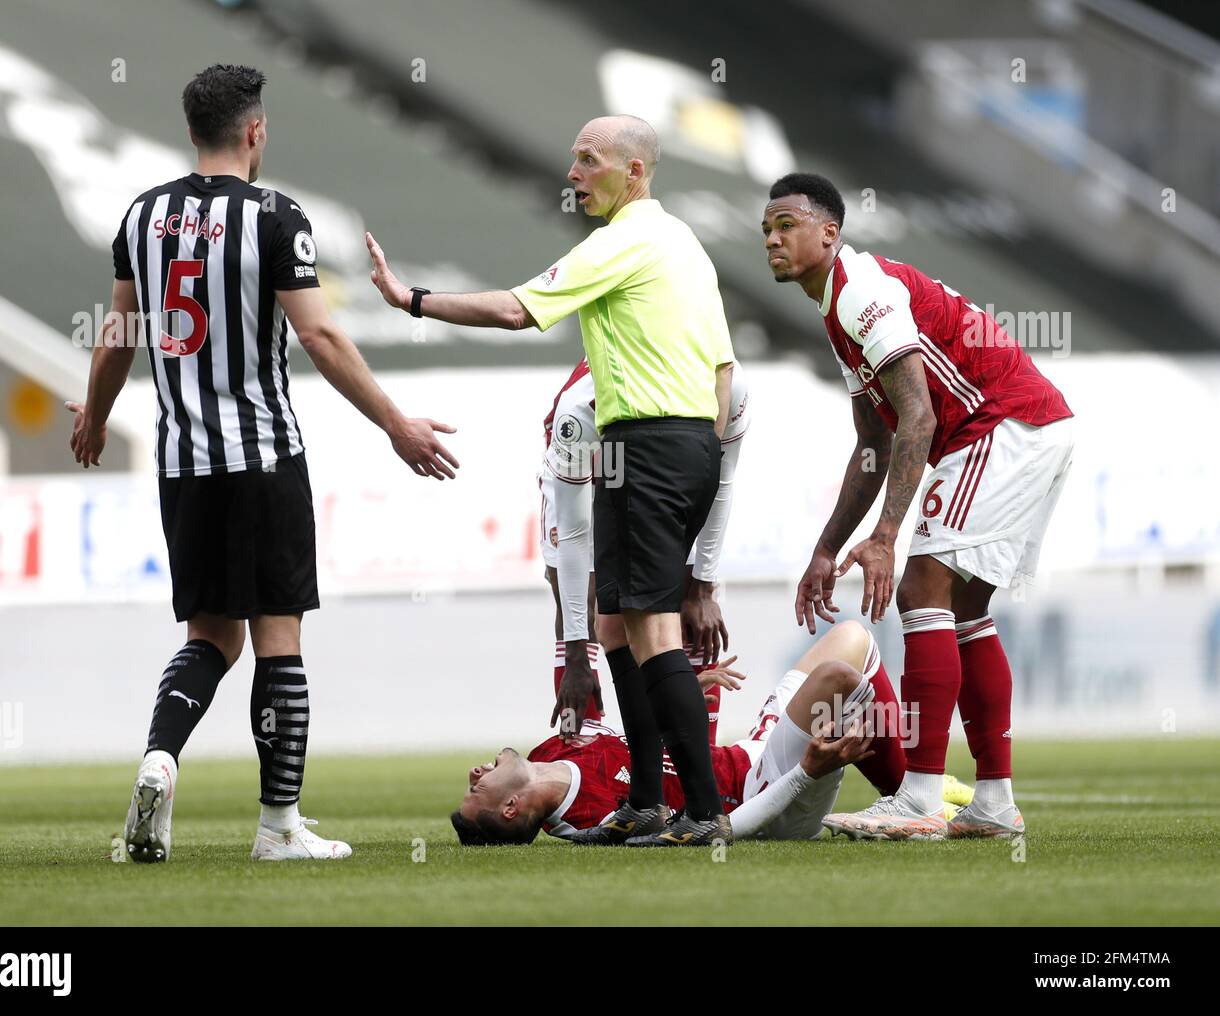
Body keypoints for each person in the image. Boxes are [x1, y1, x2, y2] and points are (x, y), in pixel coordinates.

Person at [68, 64, 458, 863]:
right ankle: (279, 827)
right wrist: (395, 425)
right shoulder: (276, 216)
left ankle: (159, 759)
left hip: (183, 464)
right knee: (277, 635)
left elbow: (118, 337)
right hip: (263, 455)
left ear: (191, 131)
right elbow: (319, 337)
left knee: (210, 634)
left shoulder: (142, 216)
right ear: (255, 132)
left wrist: (97, 423)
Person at [366, 115, 737, 846]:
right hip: (685, 443)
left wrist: (411, 299)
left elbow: (514, 310)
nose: (573, 175)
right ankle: (646, 799)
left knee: (654, 633)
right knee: (615, 627)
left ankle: (701, 813)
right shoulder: (684, 244)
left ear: (634, 172)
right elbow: (723, 369)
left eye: (588, 161)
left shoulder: (623, 243)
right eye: (572, 159)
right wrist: (700, 452)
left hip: (646, 444)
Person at [762, 173, 1073, 840]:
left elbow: (918, 417)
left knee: (921, 588)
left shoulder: (862, 294)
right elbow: (873, 440)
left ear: (829, 232)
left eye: (786, 224)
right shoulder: (837, 308)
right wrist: (826, 547)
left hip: (1001, 424)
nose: (772, 239)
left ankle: (922, 797)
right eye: (766, 230)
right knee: (963, 611)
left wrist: (886, 535)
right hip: (1019, 426)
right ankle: (991, 803)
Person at [449, 620, 958, 845]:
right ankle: (919, 799)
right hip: (768, 801)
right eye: (477, 789)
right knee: (839, 681)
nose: (474, 773)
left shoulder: (553, 747)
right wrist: (806, 773)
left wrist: (683, 689)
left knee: (852, 640)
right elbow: (718, 829)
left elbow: (642, 730)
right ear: (512, 809)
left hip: (748, 756)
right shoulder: (594, 822)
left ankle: (920, 790)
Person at [539, 356, 750, 742]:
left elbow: (720, 481)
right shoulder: (578, 412)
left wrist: (702, 586)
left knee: (689, 604)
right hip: (589, 459)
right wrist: (576, 652)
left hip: (667, 462)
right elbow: (573, 536)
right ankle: (581, 749)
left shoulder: (725, 382)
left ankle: (687, 770)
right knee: (584, 607)